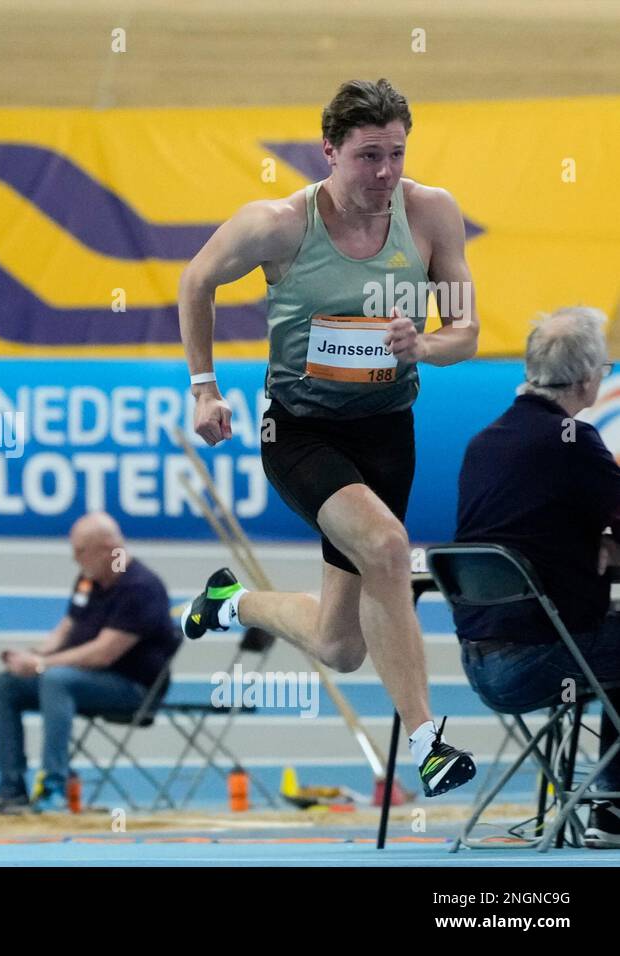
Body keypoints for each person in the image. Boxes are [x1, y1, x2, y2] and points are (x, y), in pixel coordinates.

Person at [177, 78, 478, 797]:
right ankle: (428, 740)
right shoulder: (278, 224)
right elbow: (196, 281)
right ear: (329, 152)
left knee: (341, 647)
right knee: (388, 547)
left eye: (396, 154)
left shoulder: (432, 214)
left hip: (386, 430)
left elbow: (466, 331)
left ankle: (231, 602)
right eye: (368, 156)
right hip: (301, 431)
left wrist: (424, 348)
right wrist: (203, 388)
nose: (384, 173)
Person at [454, 306, 620, 848]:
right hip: (538, 658)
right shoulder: (573, 440)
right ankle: (612, 811)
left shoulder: (483, 442)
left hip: (480, 660)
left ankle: (605, 807)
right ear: (589, 377)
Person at [0, 513, 181, 813]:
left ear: (108, 548)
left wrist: (43, 666)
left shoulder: (141, 588)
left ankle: (53, 787)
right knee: (4, 685)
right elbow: (68, 627)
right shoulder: (87, 581)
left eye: (81, 550)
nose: (74, 558)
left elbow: (102, 653)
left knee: (56, 679)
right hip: (82, 679)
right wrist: (34, 656)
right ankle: (11, 790)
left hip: (132, 689)